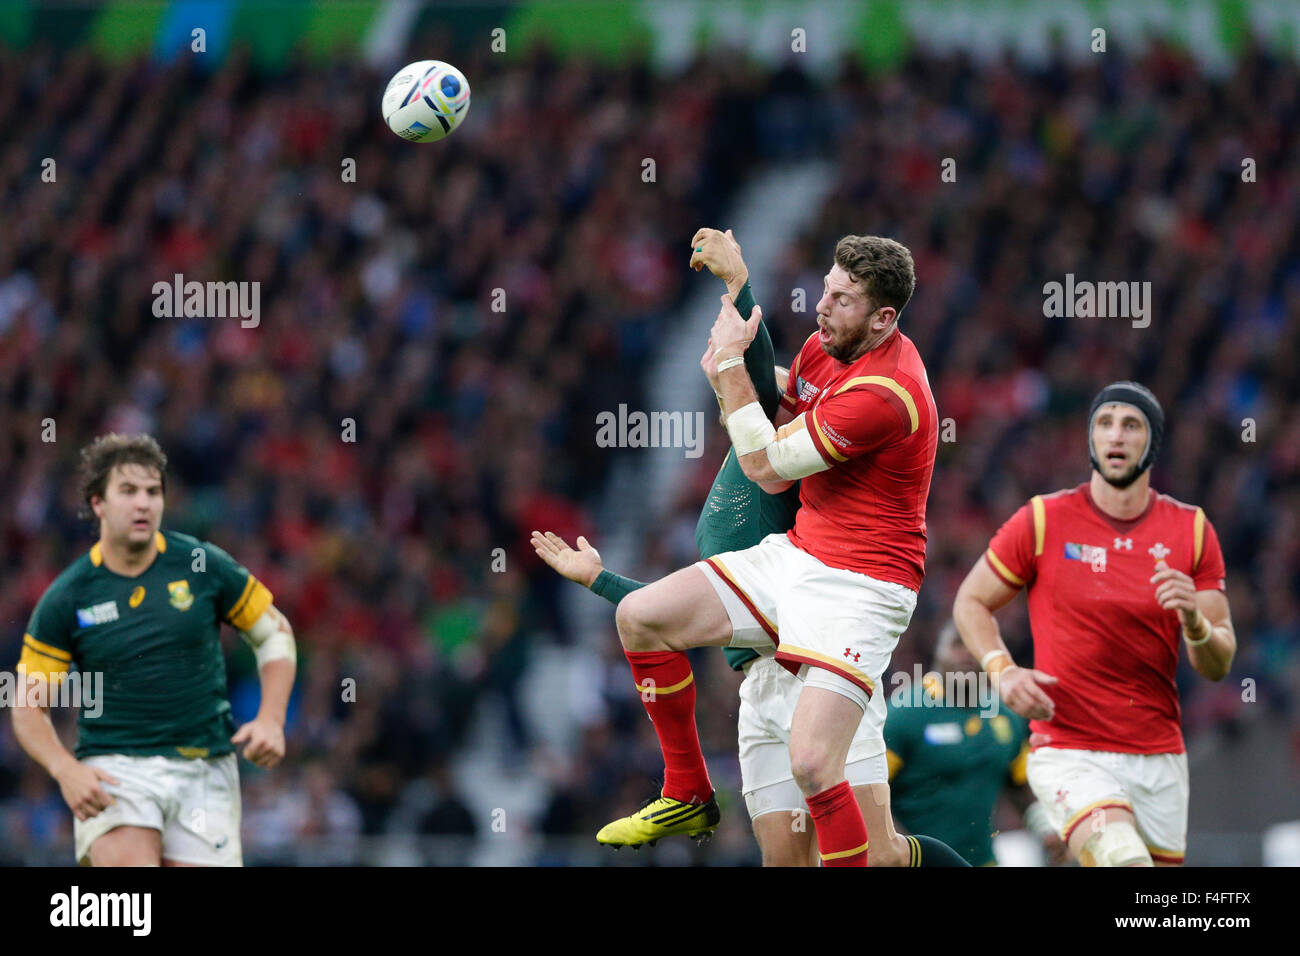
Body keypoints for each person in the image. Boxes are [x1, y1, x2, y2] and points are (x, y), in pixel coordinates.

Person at [533, 228, 963, 866]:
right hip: (798, 556)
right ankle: (687, 791)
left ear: (884, 318)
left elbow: (765, 465)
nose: (822, 306)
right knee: (640, 617)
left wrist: (731, 366)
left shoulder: (887, 394)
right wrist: (738, 297)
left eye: (843, 299)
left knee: (821, 773)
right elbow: (781, 403)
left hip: (863, 586)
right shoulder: (825, 348)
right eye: (826, 288)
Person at [952, 382, 1236, 867]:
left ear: (1153, 441)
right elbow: (971, 600)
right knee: (1121, 857)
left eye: (1131, 425)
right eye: (1105, 424)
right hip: (1069, 747)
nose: (1116, 436)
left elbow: (1219, 663)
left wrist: (1194, 622)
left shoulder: (1191, 531)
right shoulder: (1044, 520)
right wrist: (1003, 670)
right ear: (1091, 439)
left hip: (1159, 758)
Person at [11, 434, 296, 866]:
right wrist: (64, 769)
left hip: (205, 767)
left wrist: (272, 719)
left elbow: (274, 634)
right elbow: (28, 705)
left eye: (153, 491)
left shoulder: (203, 566)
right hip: (116, 768)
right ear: (98, 504)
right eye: (128, 491)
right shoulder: (69, 595)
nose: (143, 503)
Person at [885, 622, 1059, 866]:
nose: (966, 654)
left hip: (983, 861)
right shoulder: (903, 714)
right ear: (938, 651)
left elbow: (1021, 786)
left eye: (973, 647)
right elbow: (870, 792)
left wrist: (1045, 828)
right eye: (957, 645)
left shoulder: (1005, 716)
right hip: (920, 862)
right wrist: (903, 853)